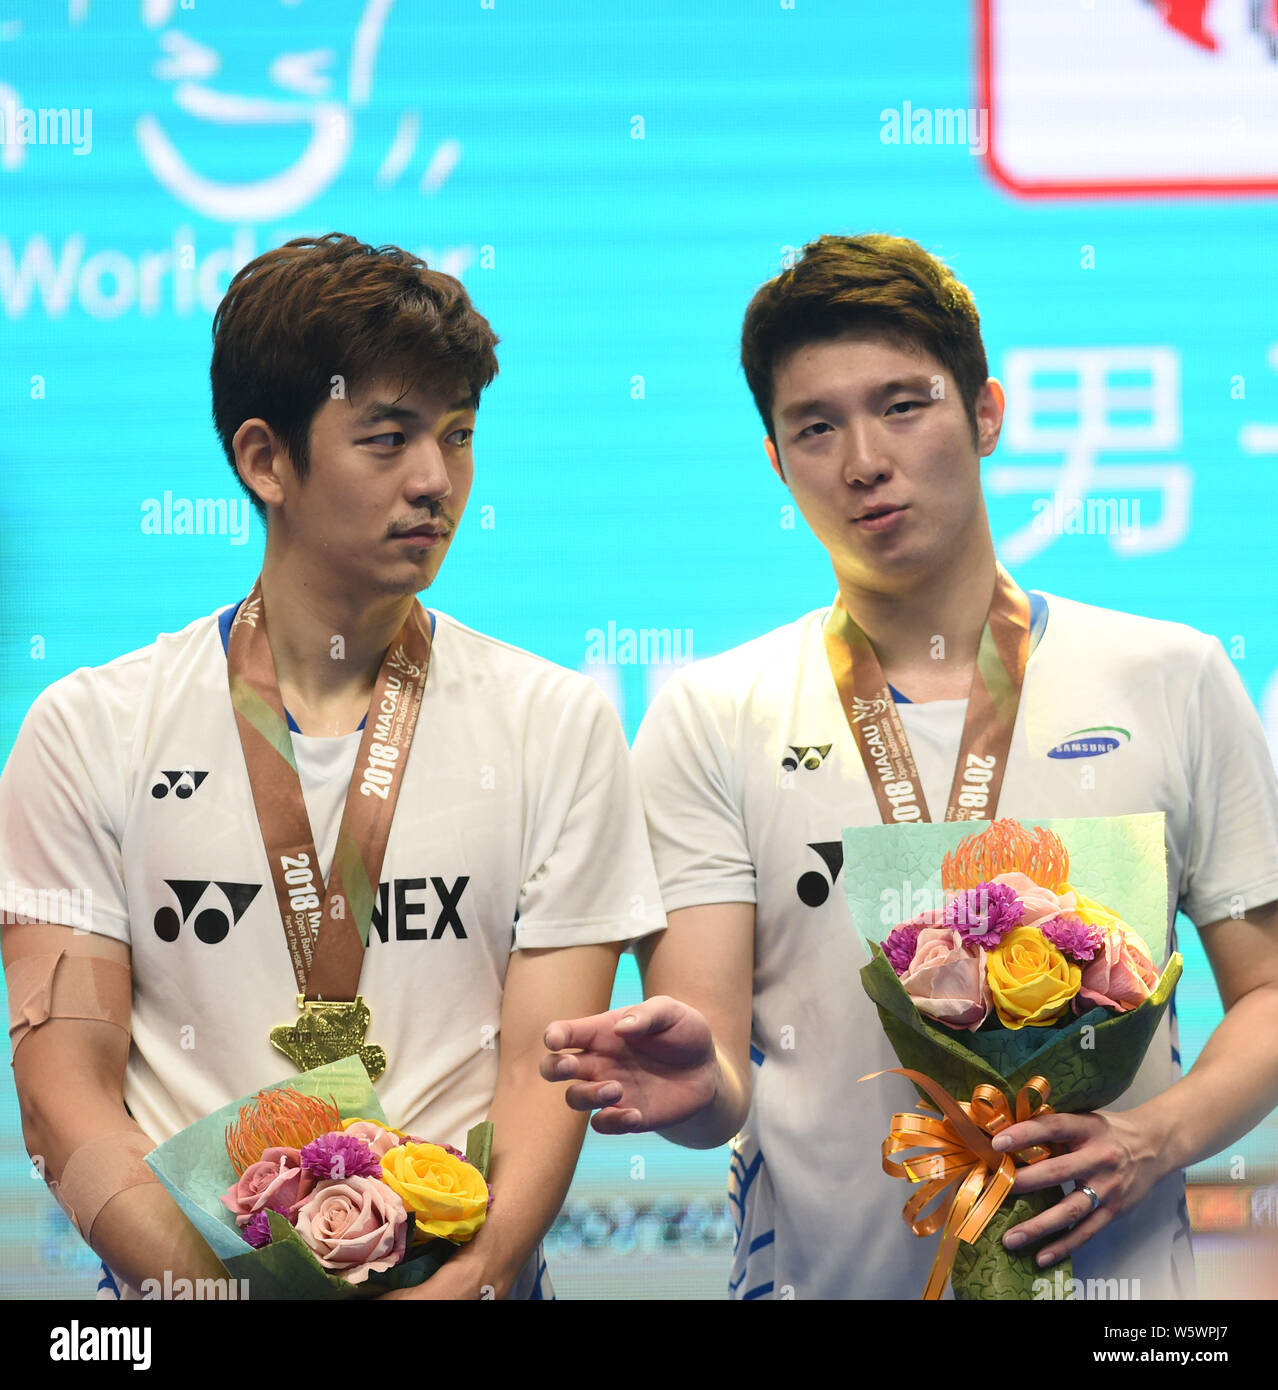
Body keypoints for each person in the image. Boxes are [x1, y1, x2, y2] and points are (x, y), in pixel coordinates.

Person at [541, 232, 1278, 1300]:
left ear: (986, 412)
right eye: (815, 427)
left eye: (903, 404)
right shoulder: (713, 716)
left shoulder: (1170, 676)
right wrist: (697, 1086)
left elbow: (1264, 996)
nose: (863, 461)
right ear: (776, 460)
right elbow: (719, 1081)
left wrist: (1151, 1136)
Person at [0, 232, 665, 1301]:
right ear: (266, 459)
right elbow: (61, 1091)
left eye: (457, 435)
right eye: (388, 438)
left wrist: (484, 1270)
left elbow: (551, 1069)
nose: (436, 480)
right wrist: (209, 1294)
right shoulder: (88, 729)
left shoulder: (556, 723)